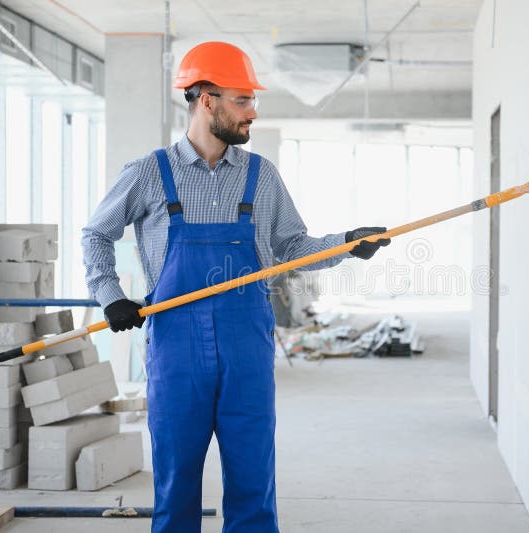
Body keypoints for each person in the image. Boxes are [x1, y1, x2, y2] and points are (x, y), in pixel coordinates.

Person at [81, 41, 389, 533]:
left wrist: (346, 244)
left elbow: (292, 245)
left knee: (253, 485)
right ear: (207, 99)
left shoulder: (261, 176)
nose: (253, 112)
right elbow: (97, 234)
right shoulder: (149, 173)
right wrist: (110, 294)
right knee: (176, 486)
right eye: (243, 100)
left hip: (246, 348)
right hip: (177, 350)